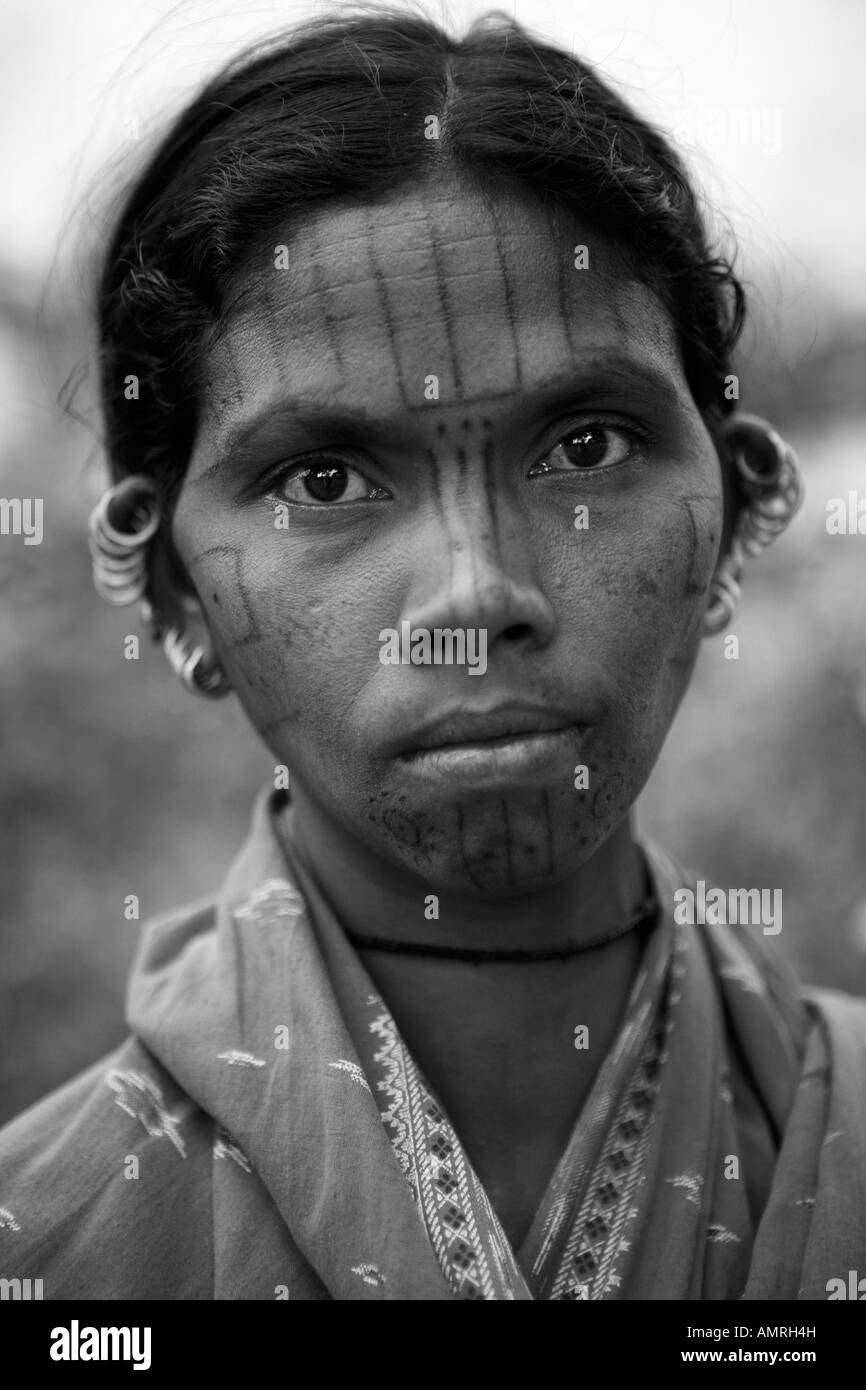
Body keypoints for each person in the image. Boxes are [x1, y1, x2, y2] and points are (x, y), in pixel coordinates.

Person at [1, 6, 864, 1302]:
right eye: (328, 474)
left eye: (584, 446)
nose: (479, 593)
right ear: (174, 589)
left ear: (736, 507)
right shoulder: (50, 1248)